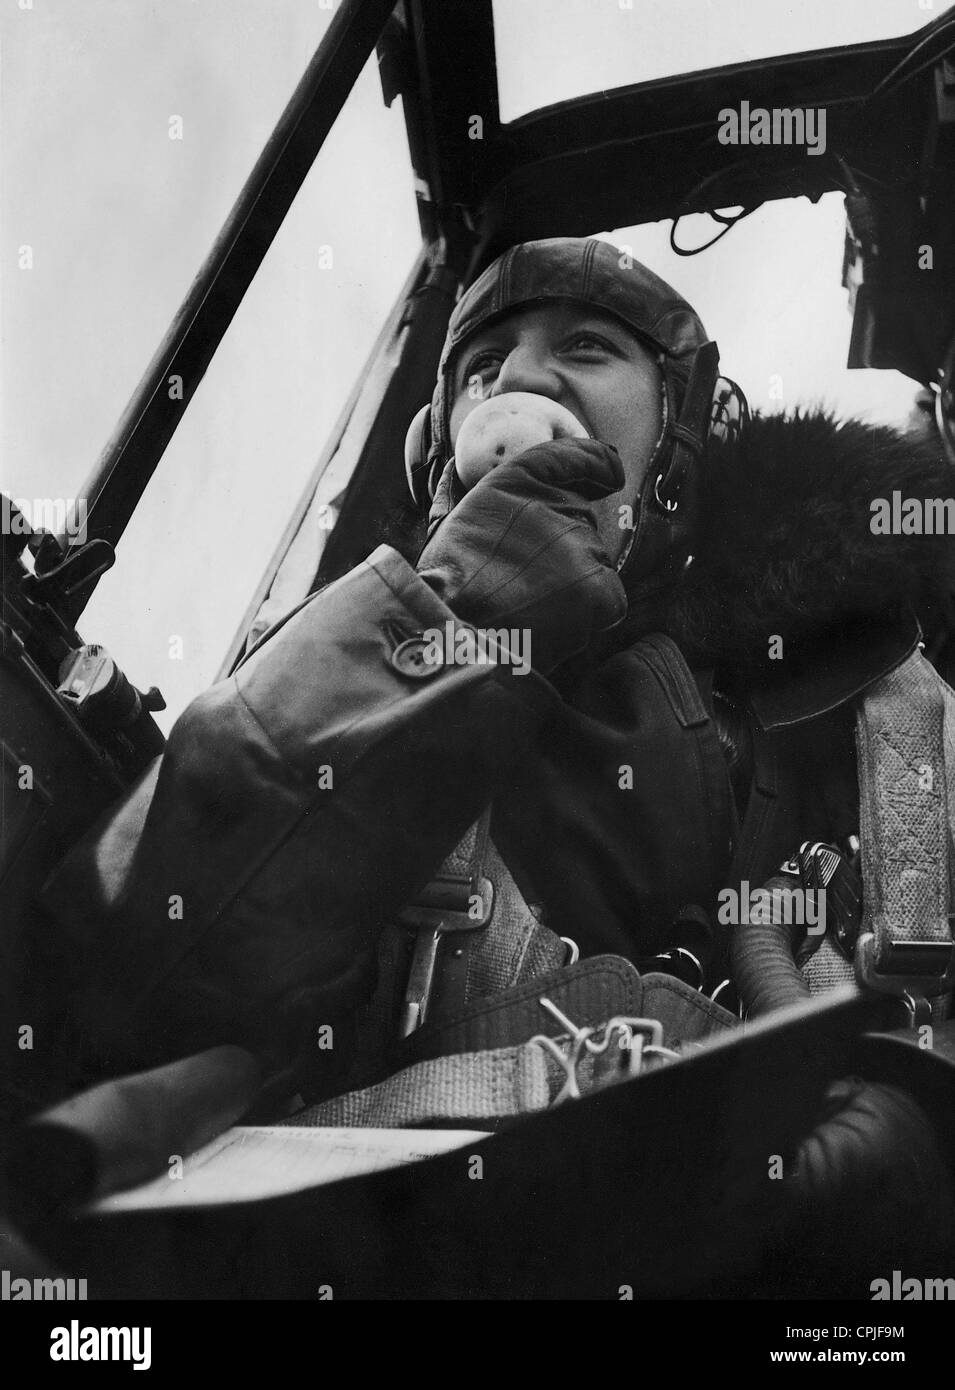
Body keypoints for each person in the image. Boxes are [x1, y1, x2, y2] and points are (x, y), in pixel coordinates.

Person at [42, 237, 954, 1082]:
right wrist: (452, 619)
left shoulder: (865, 690)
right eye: (482, 367)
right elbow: (122, 986)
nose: (519, 383)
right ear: (433, 460)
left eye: (589, 346)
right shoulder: (327, 660)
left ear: (683, 445)